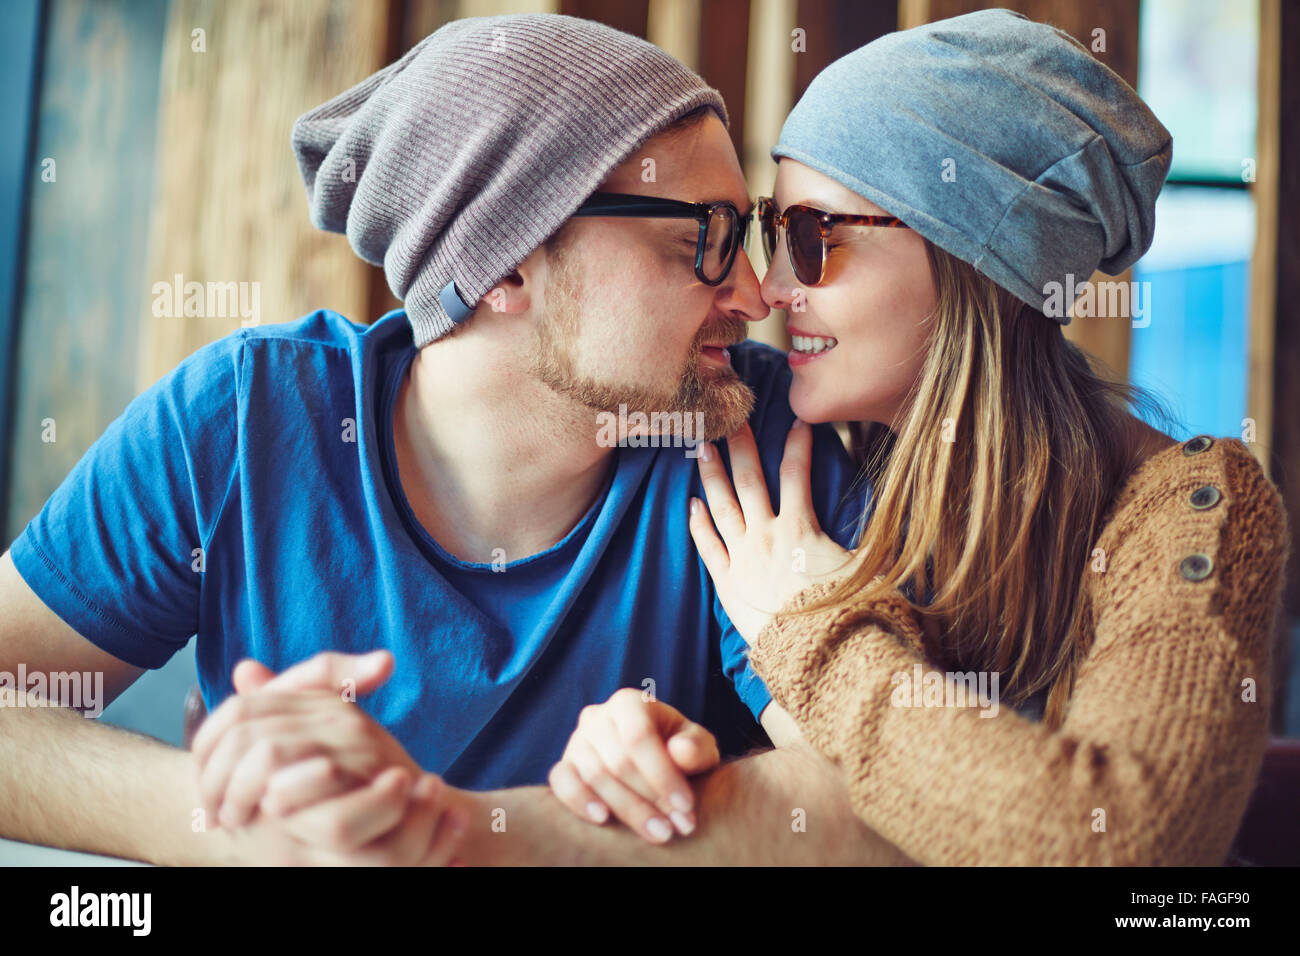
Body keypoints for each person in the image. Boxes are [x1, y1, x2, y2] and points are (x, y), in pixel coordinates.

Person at [0, 13, 906, 866]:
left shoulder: (758, 439)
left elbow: (893, 810)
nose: (752, 293)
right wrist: (245, 825)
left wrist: (456, 839)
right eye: (699, 239)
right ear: (505, 261)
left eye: (739, 232)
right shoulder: (243, 420)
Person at [549, 9, 1291, 866]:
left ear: (974, 257)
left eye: (813, 239)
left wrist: (815, 631)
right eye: (769, 230)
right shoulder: (789, 462)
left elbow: (1118, 846)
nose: (768, 290)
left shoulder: (1196, 514)